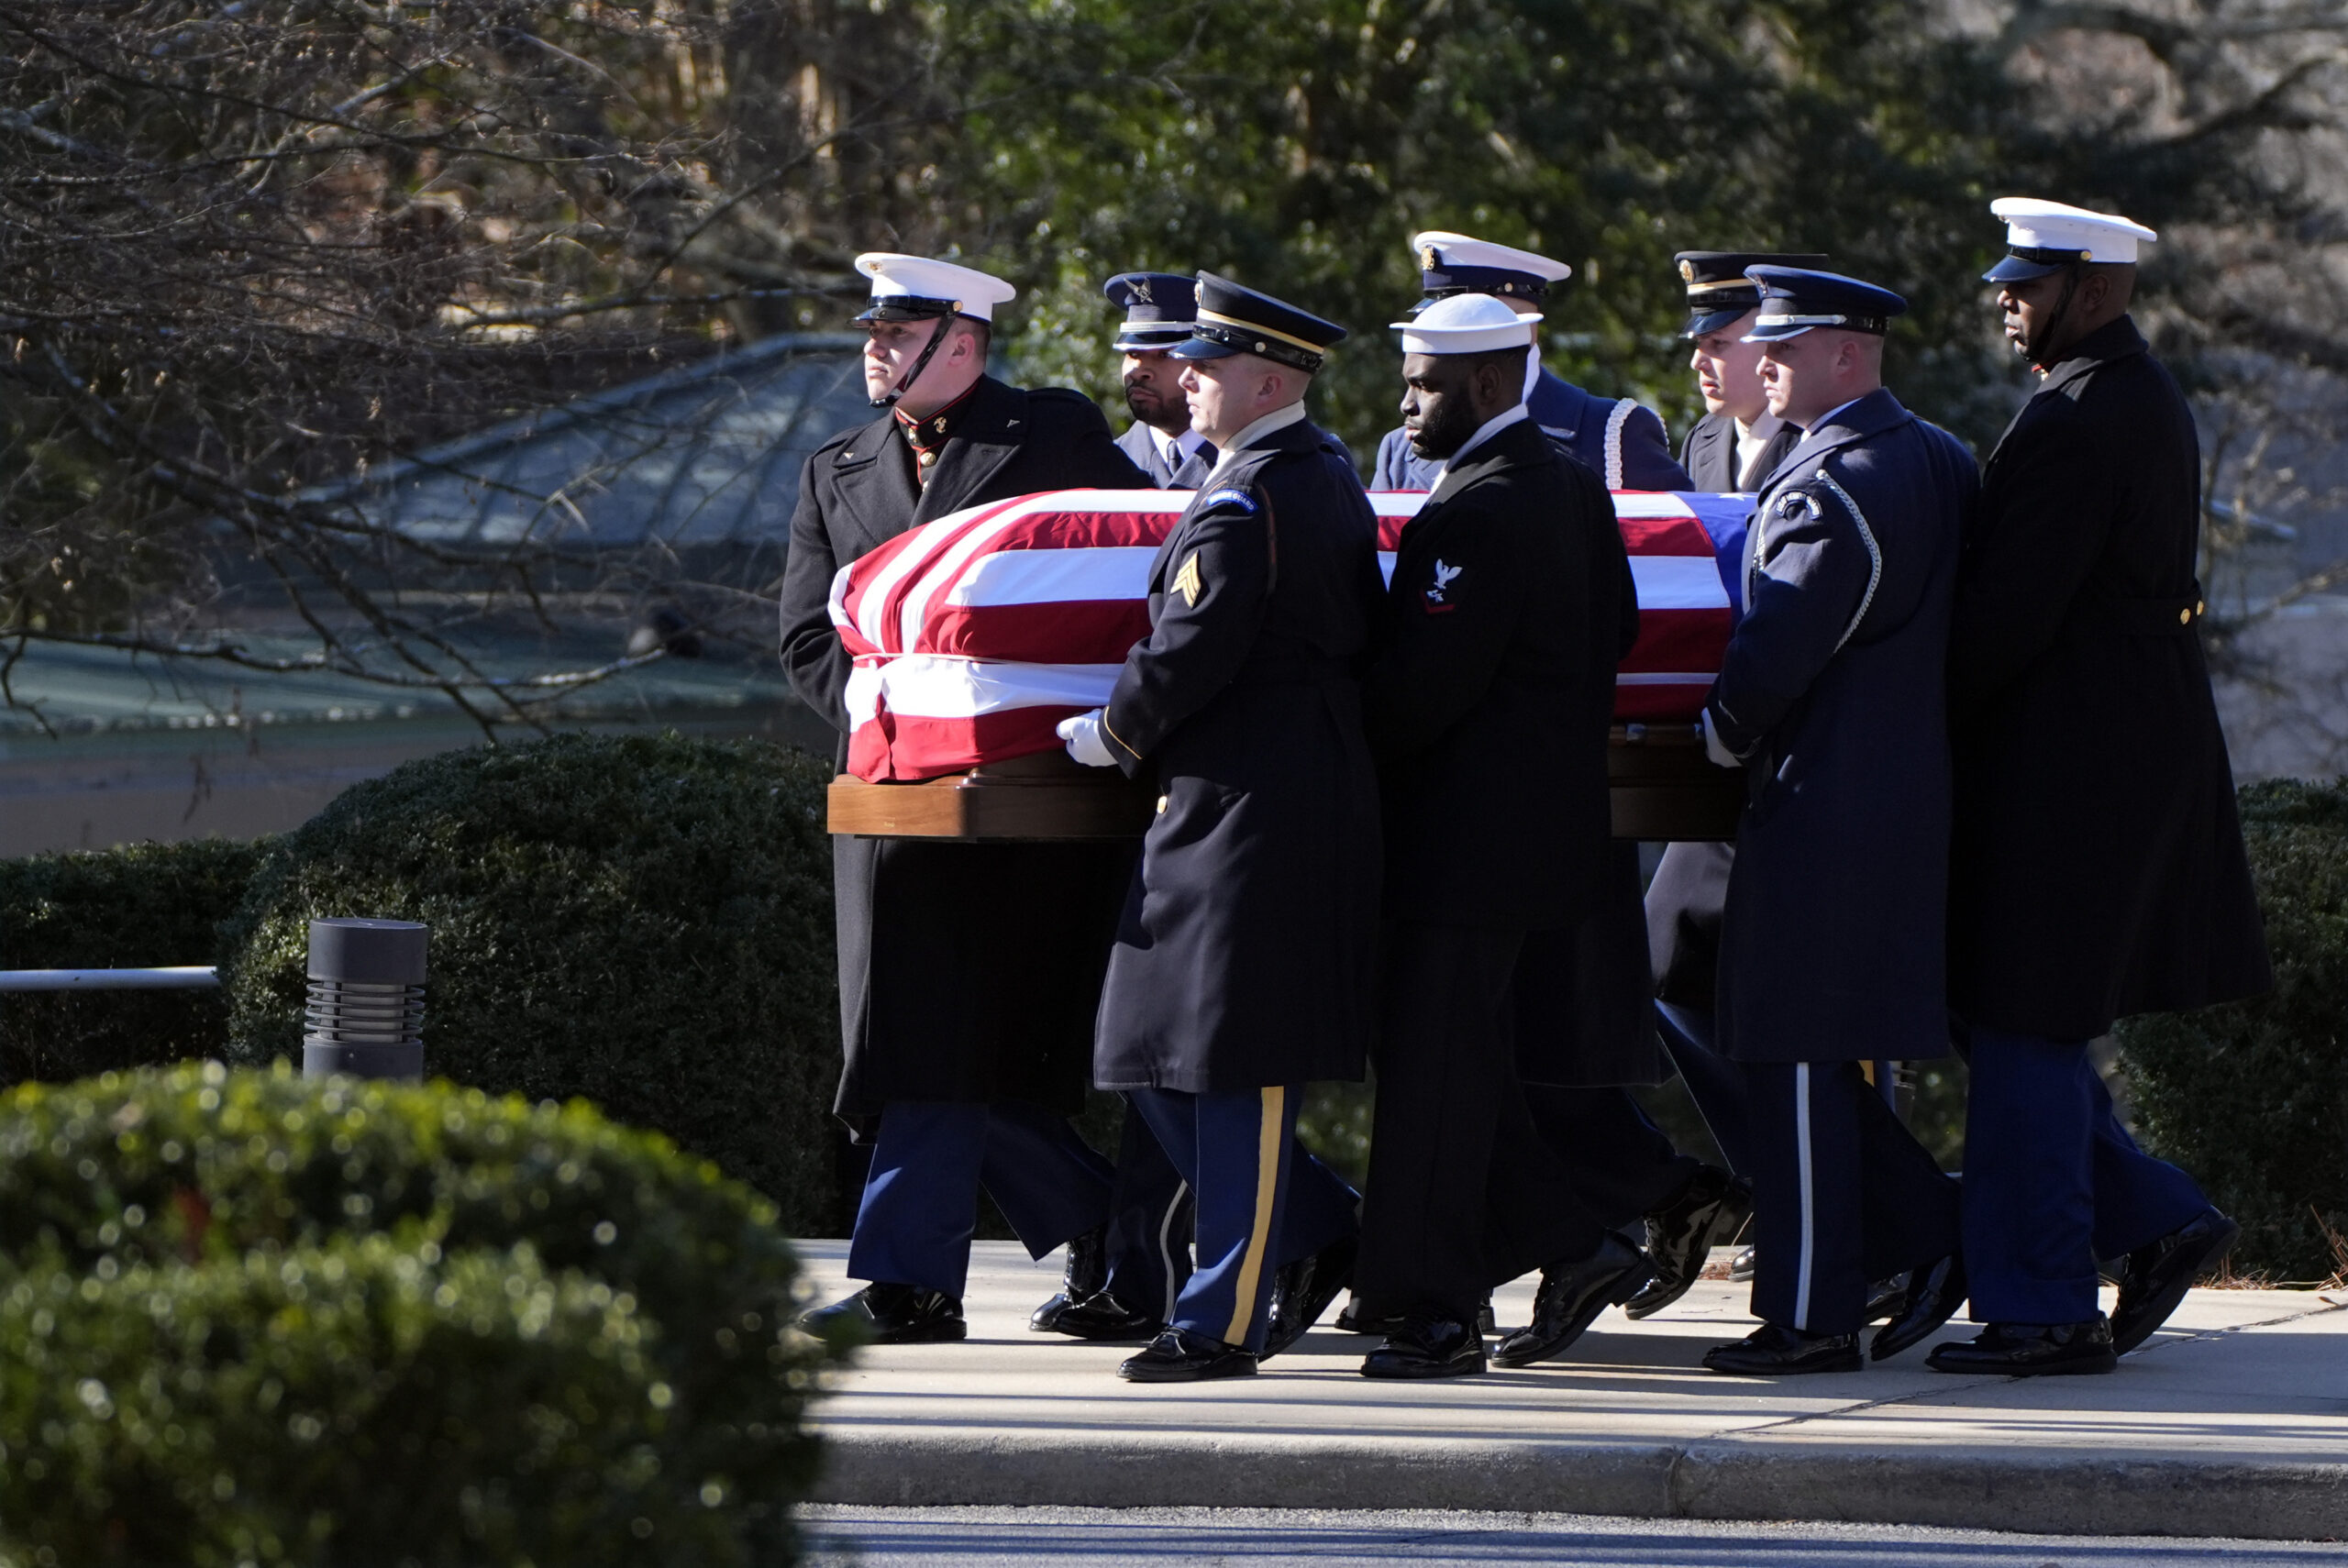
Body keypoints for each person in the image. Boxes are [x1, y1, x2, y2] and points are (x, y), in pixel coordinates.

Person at [779, 253, 1151, 1345]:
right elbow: (807, 635)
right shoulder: (833, 468)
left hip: (1022, 805)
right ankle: (1094, 1219)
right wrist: (900, 712)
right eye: (872, 332)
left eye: (900, 334)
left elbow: (1120, 586)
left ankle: (911, 1282)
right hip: (889, 797)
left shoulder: (1050, 437)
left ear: (964, 343)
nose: (875, 349)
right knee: (911, 1042)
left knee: (950, 1041)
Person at [1930, 199, 2269, 1376]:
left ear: (2100, 290)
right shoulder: (2119, 396)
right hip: (2096, 758)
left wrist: (1910, 721)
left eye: (2032, 282)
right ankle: (2150, 1213)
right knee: (2010, 1019)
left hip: (2069, 772)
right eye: (2009, 281)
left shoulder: (2078, 420)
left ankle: (2041, 1307)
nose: (2006, 298)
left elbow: (2002, 625)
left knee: (2024, 1023)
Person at [1058, 272, 1381, 1382]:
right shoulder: (1294, 473)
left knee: (1234, 1068)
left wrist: (1112, 728)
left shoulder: (1265, 488)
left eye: (1207, 363)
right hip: (1222, 808)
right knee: (1146, 1053)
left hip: (1258, 813)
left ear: (1270, 378)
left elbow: (1197, 637)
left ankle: (1221, 1317)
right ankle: (1315, 1226)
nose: (1185, 378)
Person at [1349, 293, 1652, 1378]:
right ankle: (1576, 1241)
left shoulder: (1479, 509)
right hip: (1536, 841)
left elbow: (1421, 690)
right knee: (1459, 1063)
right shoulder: (1569, 490)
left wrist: (1334, 740)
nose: (1406, 402)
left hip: (1460, 846)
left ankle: (1432, 1309)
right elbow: (1617, 630)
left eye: (1423, 383)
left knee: (1433, 1073)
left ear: (1488, 384)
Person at [1696, 267, 1976, 1376]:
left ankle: (1814, 1312)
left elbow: (1779, 644)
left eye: (1788, 344)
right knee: (1819, 1056)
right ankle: (1892, 1248)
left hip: (1822, 801)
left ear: (1849, 354)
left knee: (1798, 1059)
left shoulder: (1835, 480)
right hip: (1903, 794)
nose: (1763, 359)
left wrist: (1718, 730)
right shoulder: (1939, 456)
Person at [1371, 231, 1690, 492]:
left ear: (1522, 326)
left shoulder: (1611, 433)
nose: (1437, 335)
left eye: (1458, 320)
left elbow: (1676, 554)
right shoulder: (1400, 450)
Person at [1107, 271, 1219, 486]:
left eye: (1164, 354)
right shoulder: (1105, 465)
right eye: (1133, 354)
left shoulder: (1243, 461)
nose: (1139, 370)